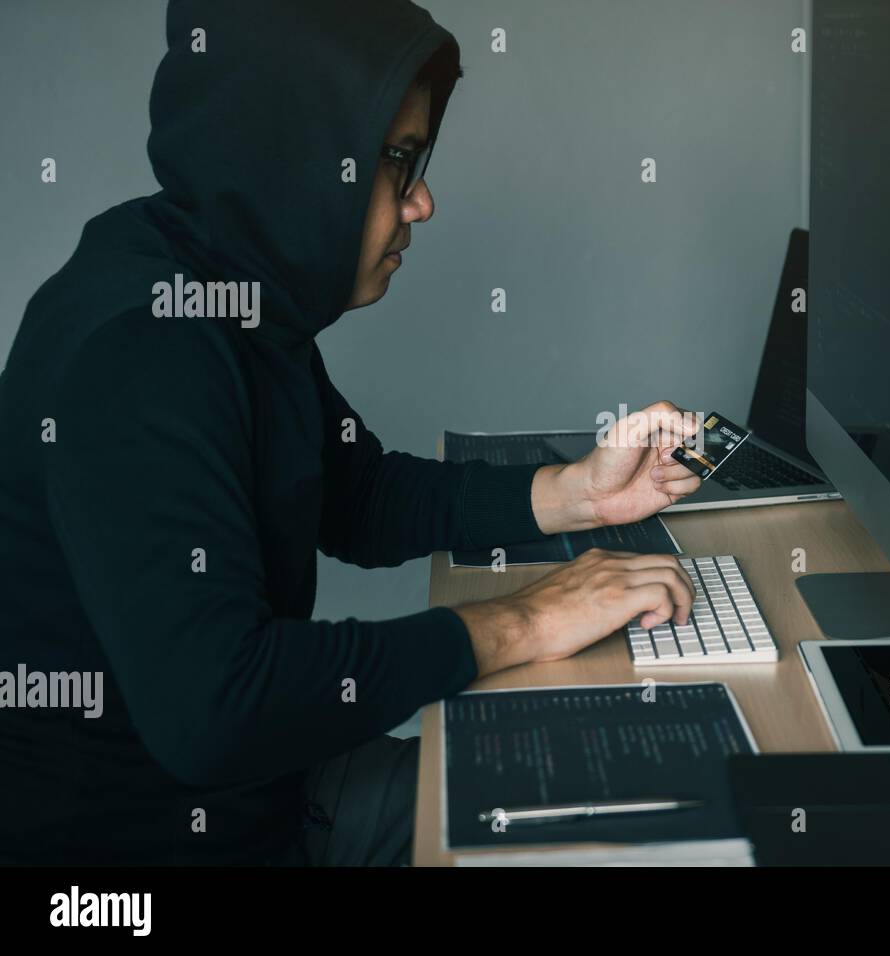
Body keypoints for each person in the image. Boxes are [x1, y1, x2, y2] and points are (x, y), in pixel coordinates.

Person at [0, 0, 702, 865]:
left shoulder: (230, 283)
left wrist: (576, 494)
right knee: (627, 836)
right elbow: (217, 713)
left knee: (643, 799)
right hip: (152, 852)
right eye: (398, 162)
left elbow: (353, 496)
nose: (423, 203)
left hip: (265, 792)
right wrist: (520, 624)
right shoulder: (145, 345)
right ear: (294, 157)